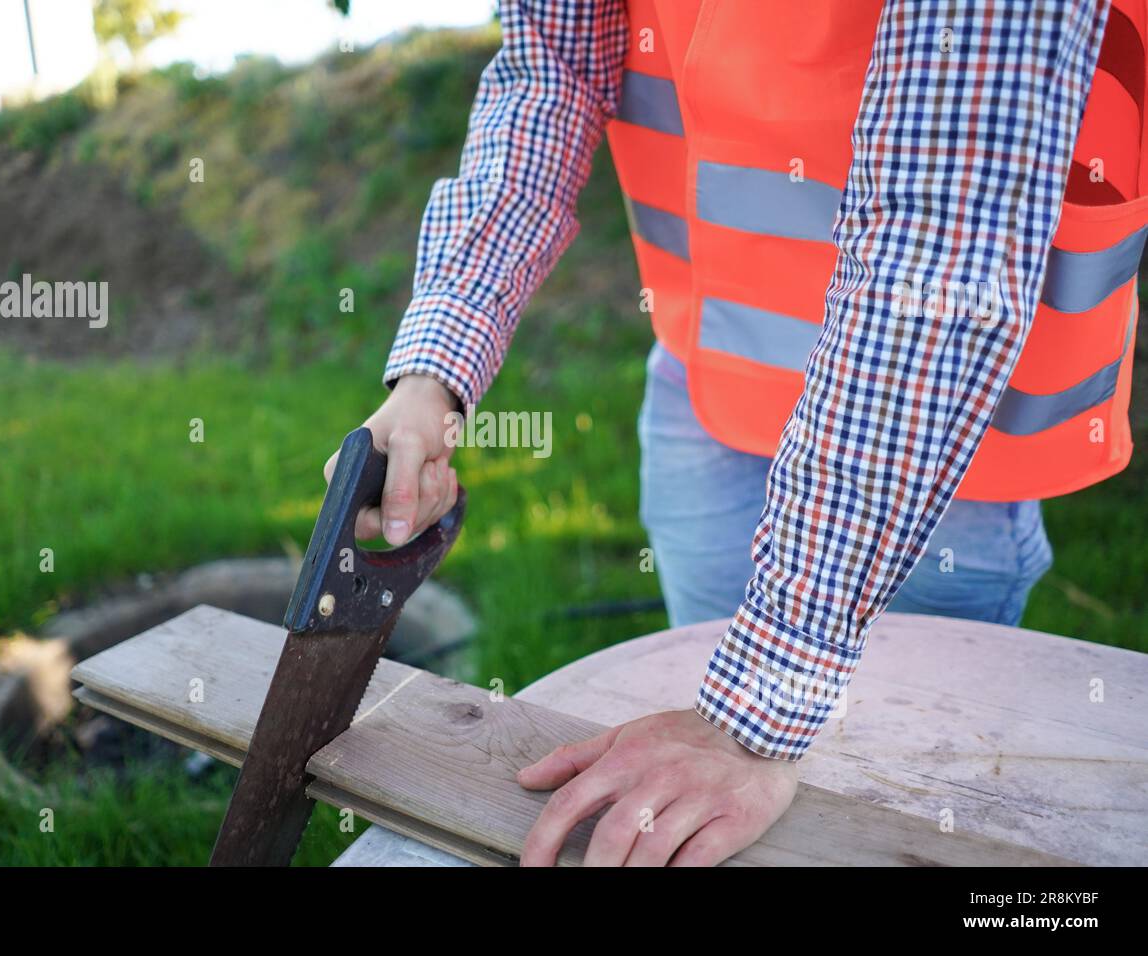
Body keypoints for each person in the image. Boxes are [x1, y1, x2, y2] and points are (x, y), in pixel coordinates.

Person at [325, 0, 1136, 865]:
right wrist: (433, 377)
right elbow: (550, 74)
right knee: (711, 812)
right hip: (712, 384)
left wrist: (755, 716)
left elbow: (938, 242)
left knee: (896, 812)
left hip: (940, 448)